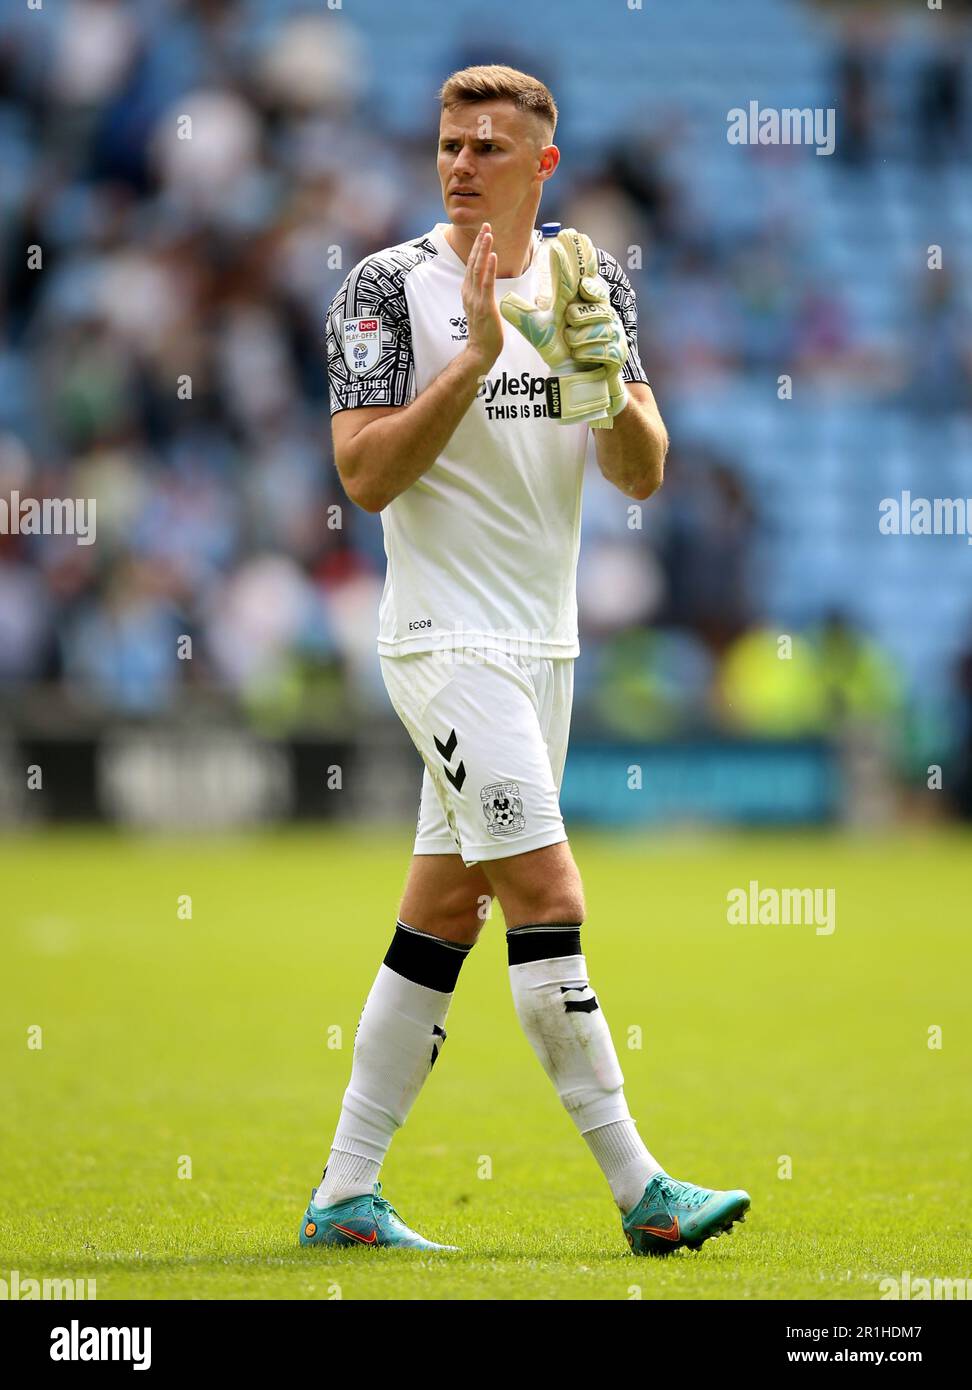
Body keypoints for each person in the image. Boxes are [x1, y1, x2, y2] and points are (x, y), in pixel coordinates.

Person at [301, 64, 749, 1257]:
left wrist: (604, 384)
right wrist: (478, 355)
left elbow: (642, 470)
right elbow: (363, 476)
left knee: (443, 915)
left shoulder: (586, 276)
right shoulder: (383, 289)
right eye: (449, 142)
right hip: (444, 644)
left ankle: (345, 1192)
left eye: (490, 147)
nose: (461, 163)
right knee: (548, 897)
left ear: (542, 165)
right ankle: (643, 1189)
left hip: (545, 647)